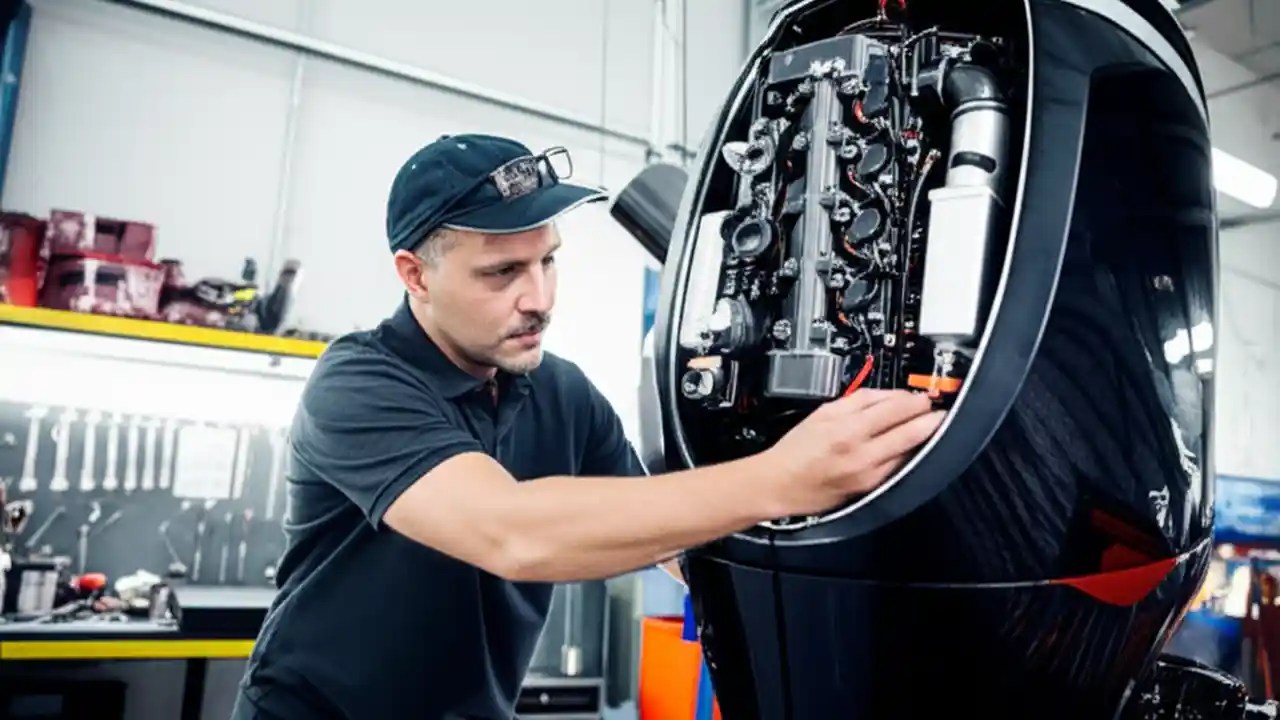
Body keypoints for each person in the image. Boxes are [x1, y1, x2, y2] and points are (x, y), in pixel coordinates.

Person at [231, 133, 945, 719]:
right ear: (415, 275)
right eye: (501, 272)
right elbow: (510, 532)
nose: (538, 298)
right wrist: (782, 477)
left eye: (548, 261)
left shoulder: (562, 393)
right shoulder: (358, 382)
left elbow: (674, 544)